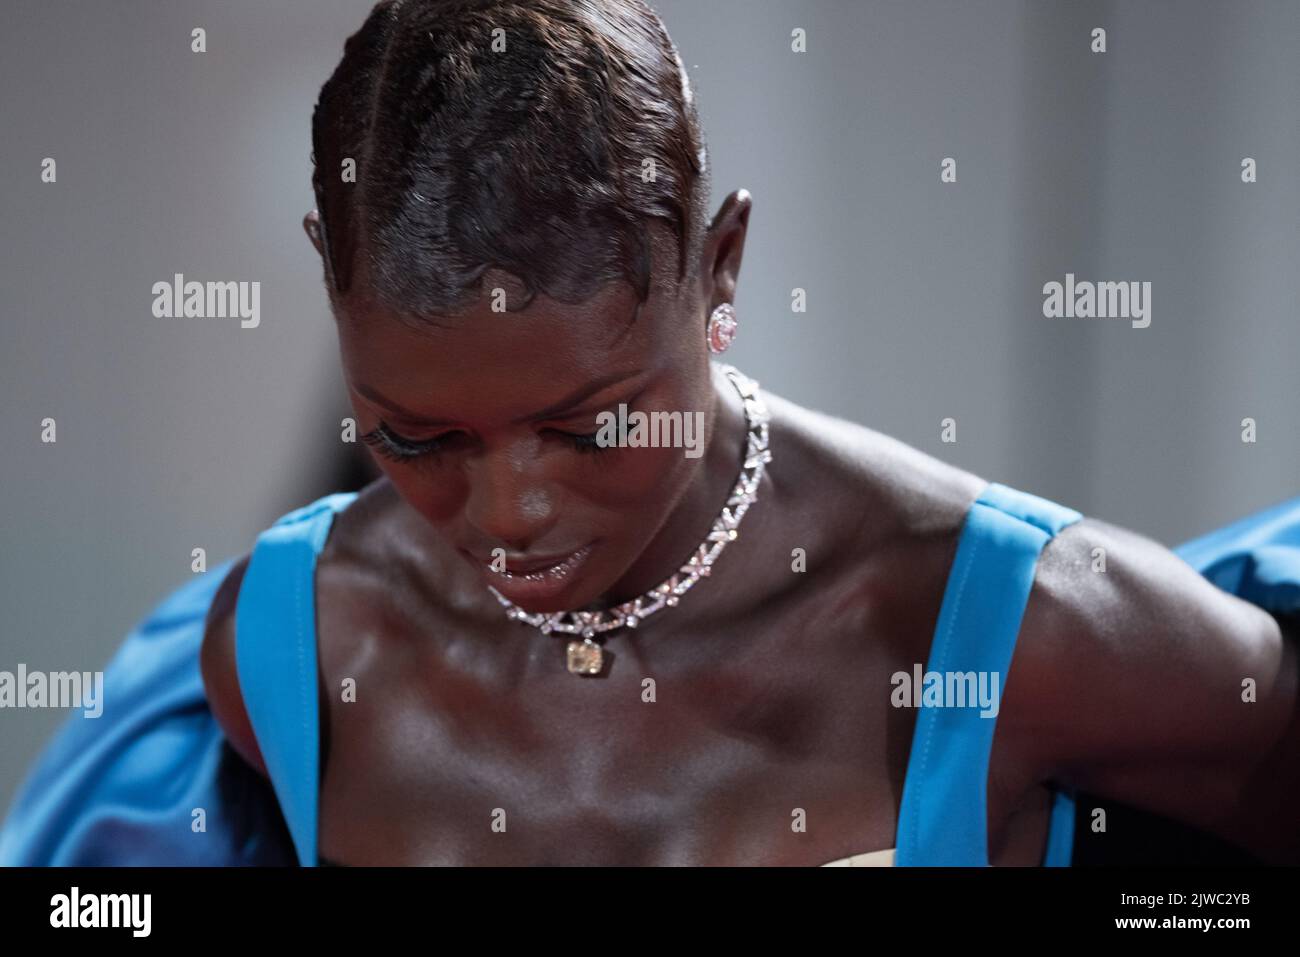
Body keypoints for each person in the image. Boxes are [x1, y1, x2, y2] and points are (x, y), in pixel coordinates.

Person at [3, 0, 1298, 868]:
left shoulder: (1030, 629)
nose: (508, 514)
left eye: (590, 424)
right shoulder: (285, 649)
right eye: (418, 436)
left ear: (720, 269)